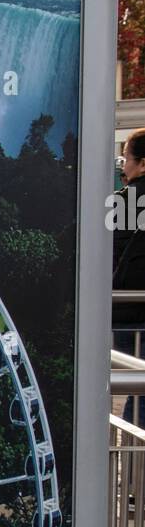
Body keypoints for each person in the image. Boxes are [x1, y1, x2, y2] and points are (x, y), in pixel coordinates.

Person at [112, 128, 145, 426]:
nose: (123, 166)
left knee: (135, 384)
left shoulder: (122, 202)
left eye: (125, 159)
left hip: (127, 315)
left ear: (142, 164)